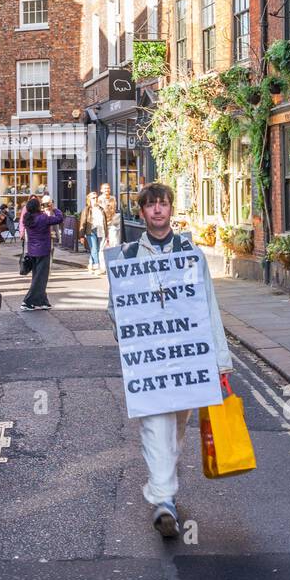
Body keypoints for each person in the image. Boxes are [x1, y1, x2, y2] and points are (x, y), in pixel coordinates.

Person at [107, 181, 232, 539]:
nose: (157, 210)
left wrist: (221, 361)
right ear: (142, 212)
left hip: (188, 359)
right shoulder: (128, 257)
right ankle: (163, 501)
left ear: (171, 210)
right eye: (151, 205)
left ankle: (167, 488)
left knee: (176, 427)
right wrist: (129, 337)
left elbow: (208, 304)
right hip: (150, 362)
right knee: (155, 425)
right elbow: (115, 308)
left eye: (163, 204)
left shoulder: (190, 253)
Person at [18, 194, 63, 311]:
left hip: (32, 251)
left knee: (37, 276)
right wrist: (54, 208)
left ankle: (43, 301)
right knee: (40, 278)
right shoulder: (42, 218)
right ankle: (27, 302)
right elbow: (59, 219)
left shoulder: (28, 218)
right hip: (43, 250)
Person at [79, 190, 106, 274]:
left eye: (96, 197)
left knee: (98, 249)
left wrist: (107, 233)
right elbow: (82, 223)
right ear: (89, 199)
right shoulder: (86, 210)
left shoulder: (101, 209)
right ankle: (96, 266)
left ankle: (91, 264)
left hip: (100, 230)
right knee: (94, 248)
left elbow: (104, 221)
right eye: (93, 198)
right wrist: (81, 236)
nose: (95, 199)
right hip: (90, 231)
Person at [98, 182, 120, 266]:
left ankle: (113, 262)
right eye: (105, 188)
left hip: (112, 223)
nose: (107, 190)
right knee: (103, 244)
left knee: (114, 242)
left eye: (108, 188)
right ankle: (103, 265)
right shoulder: (99, 199)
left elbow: (113, 210)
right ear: (101, 190)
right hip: (103, 224)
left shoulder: (113, 198)